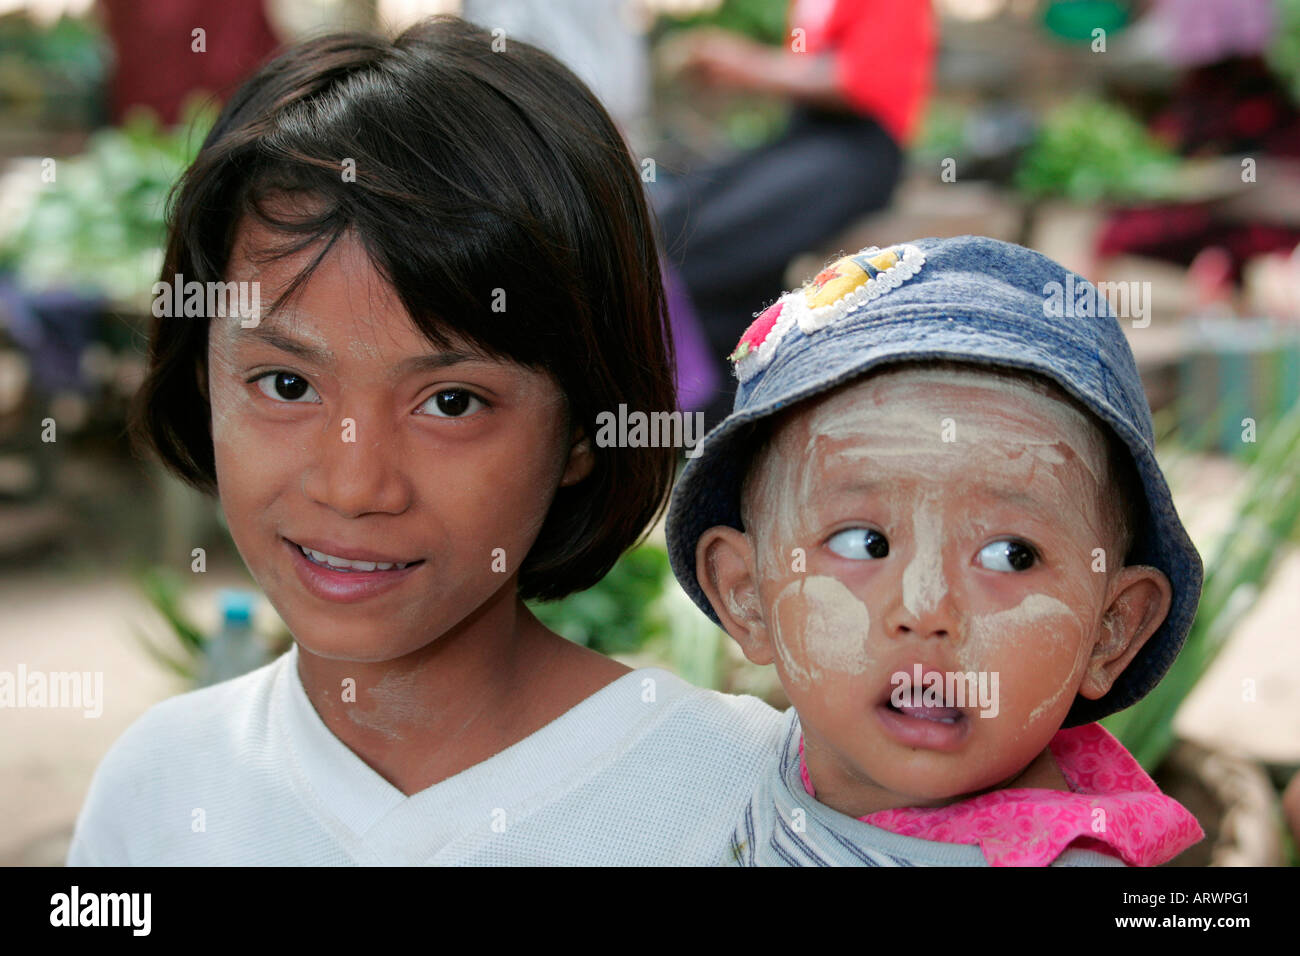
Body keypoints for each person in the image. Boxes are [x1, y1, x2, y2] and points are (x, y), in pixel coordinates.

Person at [66, 16, 783, 866]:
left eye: (450, 402)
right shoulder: (157, 788)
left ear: (587, 428)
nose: (354, 483)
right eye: (287, 385)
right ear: (203, 380)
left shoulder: (748, 807)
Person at [666, 235, 1207, 865]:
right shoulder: (731, 769)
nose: (925, 608)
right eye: (863, 543)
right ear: (747, 593)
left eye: (1011, 555)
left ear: (1108, 630)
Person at [654, 0, 935, 426]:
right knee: (676, 218)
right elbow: (805, 74)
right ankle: (721, 412)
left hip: (856, 152)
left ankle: (706, 415)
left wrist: (746, 64)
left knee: (705, 242)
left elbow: (857, 81)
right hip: (804, 139)